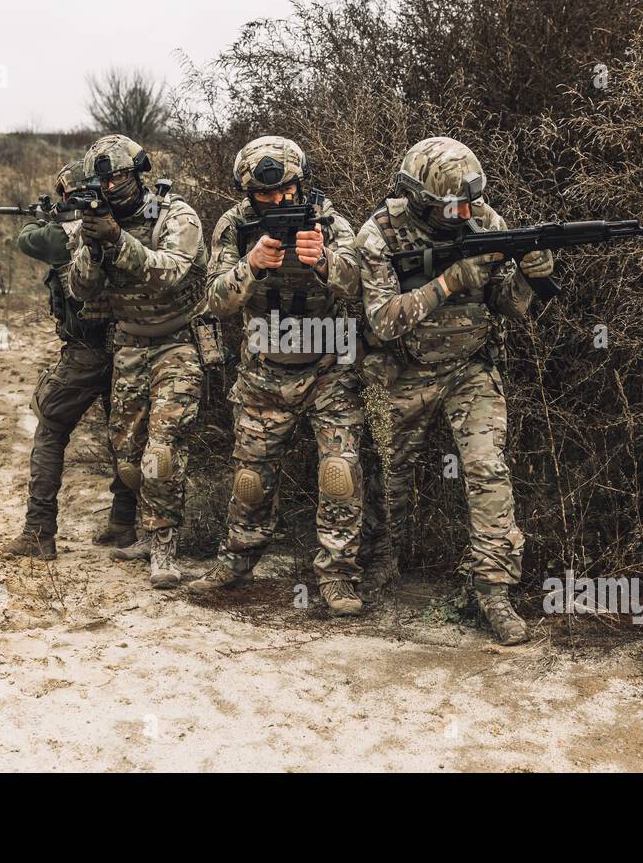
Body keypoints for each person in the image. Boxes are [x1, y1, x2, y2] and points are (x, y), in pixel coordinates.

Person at [354, 136, 555, 644]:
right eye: (453, 206)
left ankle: (492, 589)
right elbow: (382, 321)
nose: (465, 213)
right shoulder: (379, 235)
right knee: (387, 475)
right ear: (419, 199)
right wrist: (449, 281)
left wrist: (531, 278)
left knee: (488, 468)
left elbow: (508, 306)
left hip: (470, 368)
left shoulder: (485, 220)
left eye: (470, 201)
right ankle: (382, 561)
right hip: (400, 371)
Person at [188, 136, 366, 616]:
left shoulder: (329, 220)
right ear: (248, 193)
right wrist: (250, 266)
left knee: (339, 474)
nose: (277, 200)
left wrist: (324, 261)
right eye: (264, 194)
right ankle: (237, 561)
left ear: (301, 182)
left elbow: (361, 287)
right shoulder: (234, 226)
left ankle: (338, 575)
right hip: (264, 369)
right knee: (251, 477)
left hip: (329, 368)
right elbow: (216, 301)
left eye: (285, 189)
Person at [66, 134, 208, 589]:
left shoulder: (175, 215)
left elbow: (169, 273)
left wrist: (118, 239)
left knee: (163, 450)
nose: (109, 189)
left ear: (139, 174)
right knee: (128, 456)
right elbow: (81, 290)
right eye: (101, 182)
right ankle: (148, 533)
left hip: (177, 342)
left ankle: (165, 548)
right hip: (129, 344)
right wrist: (93, 247)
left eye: (118, 179)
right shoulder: (95, 221)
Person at [0, 160, 135, 561]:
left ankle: (38, 533)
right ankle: (123, 524)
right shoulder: (127, 227)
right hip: (131, 347)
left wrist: (46, 217)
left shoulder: (61, 234)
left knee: (51, 428)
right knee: (125, 439)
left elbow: (27, 239)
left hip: (85, 352)